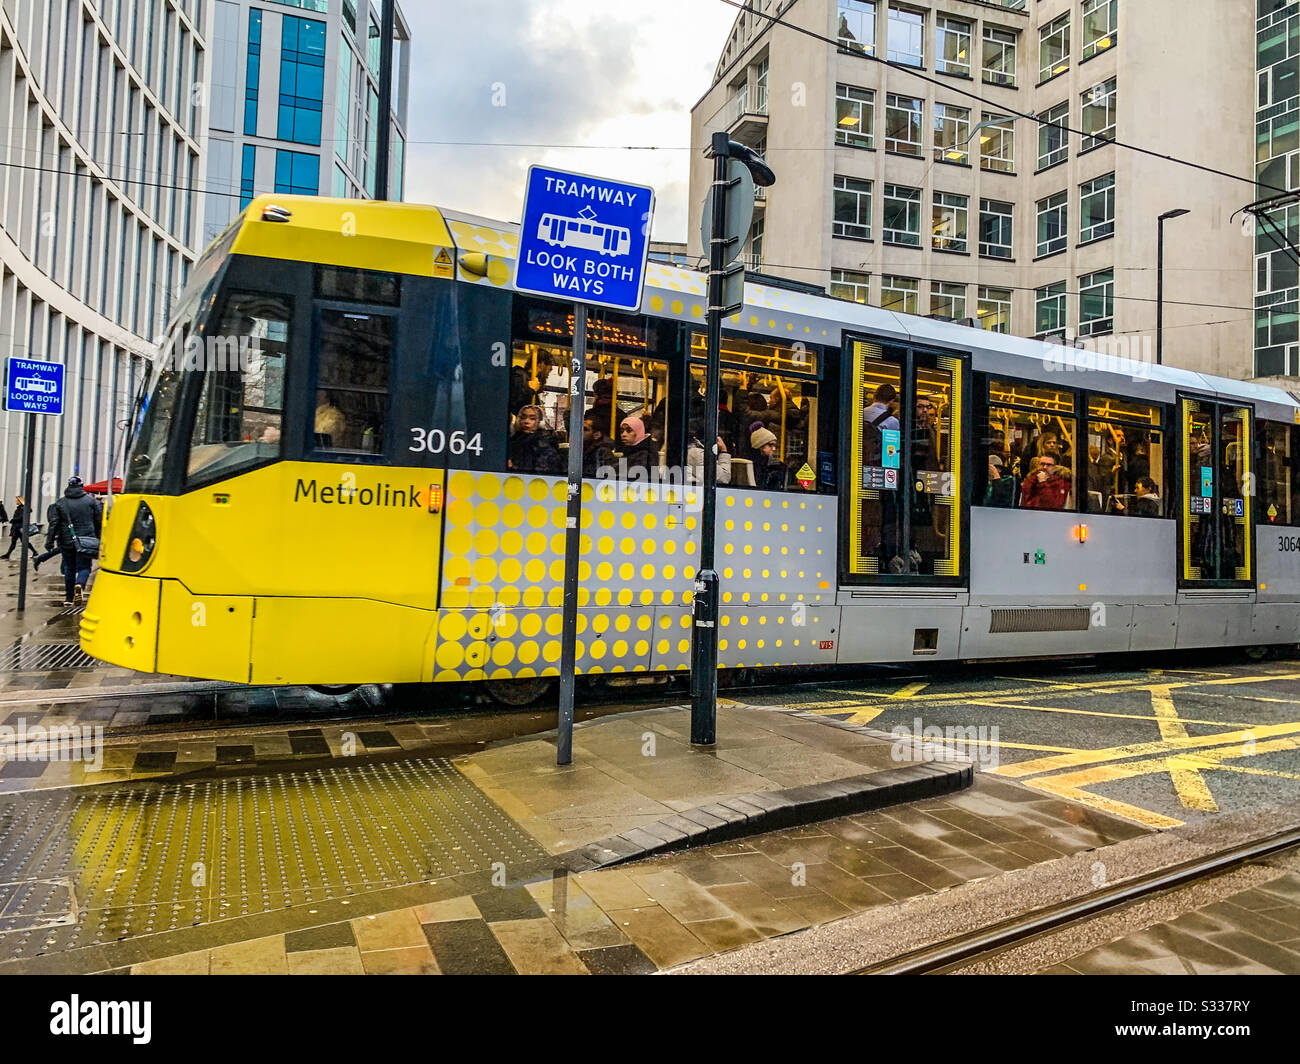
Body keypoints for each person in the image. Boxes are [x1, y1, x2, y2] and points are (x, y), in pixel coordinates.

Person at [48, 477, 102, 606]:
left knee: (69, 568)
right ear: (81, 486)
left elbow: (54, 523)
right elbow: (99, 521)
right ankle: (79, 585)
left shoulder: (61, 503)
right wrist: (98, 538)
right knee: (84, 567)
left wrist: (49, 541)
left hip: (67, 540)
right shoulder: (91, 502)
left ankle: (68, 597)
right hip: (86, 540)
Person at [507, 405, 564, 474]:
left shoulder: (544, 443)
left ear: (539, 422)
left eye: (532, 418)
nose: (526, 421)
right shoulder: (513, 439)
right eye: (523, 417)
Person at [509, 351, 556, 417]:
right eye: (550, 367)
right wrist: (530, 389)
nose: (551, 370)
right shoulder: (519, 376)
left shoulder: (531, 380)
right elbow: (515, 405)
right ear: (541, 364)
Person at [1, 496, 27, 560]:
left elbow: (21, 518)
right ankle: (7, 554)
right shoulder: (18, 509)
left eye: (17, 500)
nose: (16, 501)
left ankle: (34, 552)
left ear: (20, 501)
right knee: (14, 542)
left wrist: (13, 520)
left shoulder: (23, 509)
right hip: (16, 528)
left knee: (24, 542)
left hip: (19, 528)